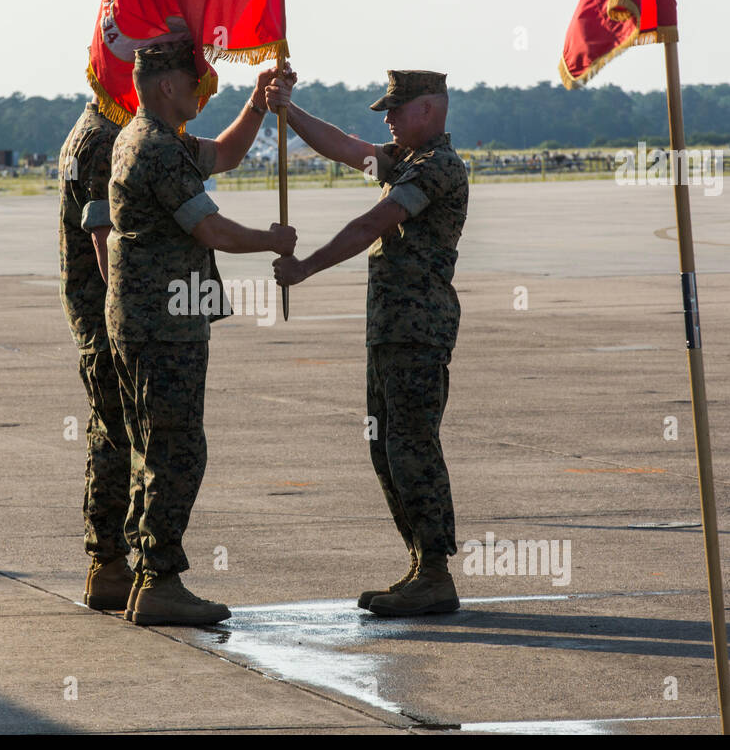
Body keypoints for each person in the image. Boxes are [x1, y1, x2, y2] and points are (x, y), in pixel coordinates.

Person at [108, 40, 296, 626]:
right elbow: (210, 229)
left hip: (156, 321)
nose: (200, 89)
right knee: (178, 451)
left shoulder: (152, 139)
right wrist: (272, 240)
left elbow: (228, 154)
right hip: (161, 327)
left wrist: (260, 103)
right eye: (194, 81)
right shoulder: (157, 149)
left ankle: (148, 578)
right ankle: (160, 581)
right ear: (167, 85)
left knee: (155, 449)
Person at [269, 69, 468, 617]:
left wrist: (307, 266)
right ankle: (420, 564)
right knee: (386, 447)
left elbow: (375, 221)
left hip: (418, 331)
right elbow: (345, 148)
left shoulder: (439, 168)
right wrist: (289, 110)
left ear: (427, 110)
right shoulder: (407, 160)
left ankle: (434, 572)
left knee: (411, 446)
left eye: (395, 110)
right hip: (391, 330)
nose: (387, 120)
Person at [58, 100, 134, 611]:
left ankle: (109, 563)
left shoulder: (94, 131)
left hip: (101, 314)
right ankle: (108, 563)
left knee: (112, 432)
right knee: (116, 434)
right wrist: (126, 311)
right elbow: (106, 243)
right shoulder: (104, 139)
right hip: (109, 318)